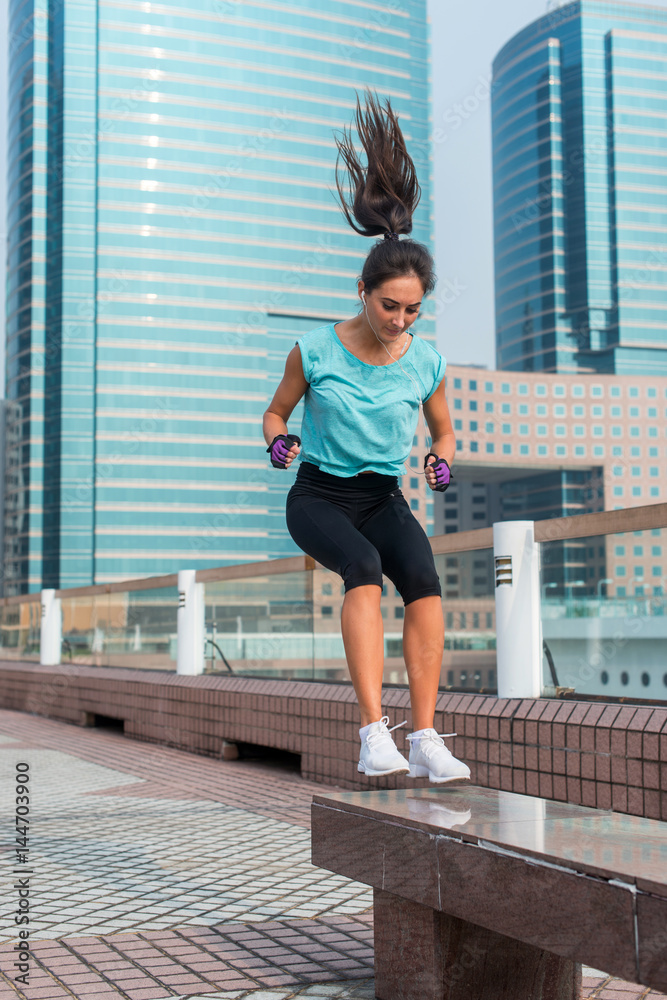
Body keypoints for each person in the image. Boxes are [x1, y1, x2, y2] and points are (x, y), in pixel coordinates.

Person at [262, 92, 470, 785]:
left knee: (422, 582)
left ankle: (426, 738)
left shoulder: (426, 358)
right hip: (319, 496)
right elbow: (275, 414)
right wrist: (276, 443)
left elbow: (442, 431)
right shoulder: (314, 350)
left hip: (383, 495)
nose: (400, 320)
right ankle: (371, 733)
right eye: (389, 306)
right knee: (360, 571)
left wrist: (441, 461)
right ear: (361, 291)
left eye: (413, 309)